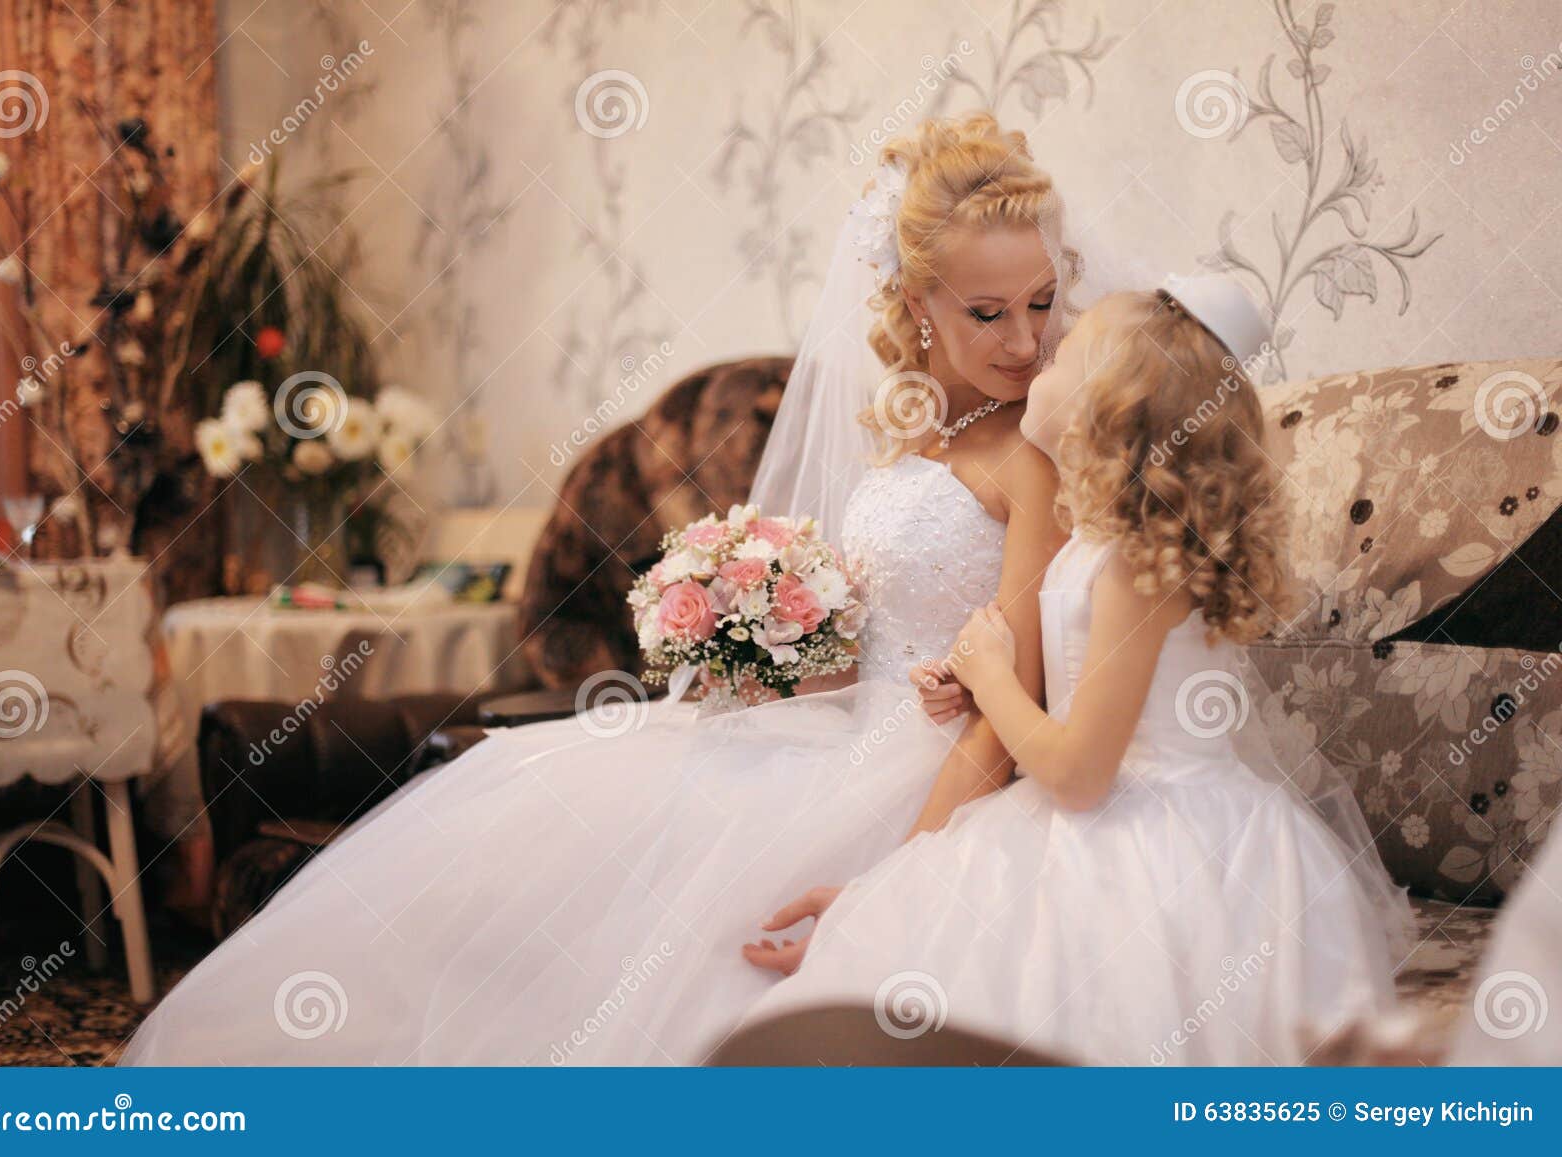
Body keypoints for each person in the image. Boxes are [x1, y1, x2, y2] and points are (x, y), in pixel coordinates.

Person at [121, 112, 1082, 1065]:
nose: (1023, 342)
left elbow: (1015, 700)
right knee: (545, 817)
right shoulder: (903, 433)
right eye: (986, 312)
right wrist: (758, 652)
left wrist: (893, 885)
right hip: (840, 732)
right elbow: (880, 644)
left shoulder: (1033, 457)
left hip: (936, 775)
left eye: (1040, 303)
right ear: (919, 302)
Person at [740, 278, 1414, 1065]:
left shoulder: (1136, 565)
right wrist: (969, 685)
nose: (1036, 360)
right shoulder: (1102, 540)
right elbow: (1083, 689)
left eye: (1063, 353)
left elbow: (1081, 774)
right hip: (1110, 805)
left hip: (1162, 842)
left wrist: (993, 678)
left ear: (1111, 405)